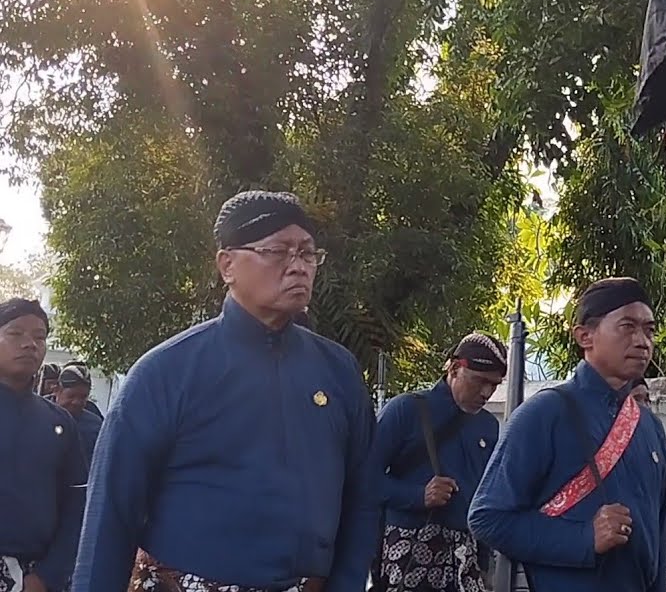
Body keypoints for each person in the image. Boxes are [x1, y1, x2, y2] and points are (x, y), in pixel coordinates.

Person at [73, 190, 381, 592]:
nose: (298, 267)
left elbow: (362, 497)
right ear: (227, 265)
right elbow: (111, 513)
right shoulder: (166, 372)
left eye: (307, 253)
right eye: (277, 251)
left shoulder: (337, 371)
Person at [469, 277, 666, 592]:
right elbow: (487, 518)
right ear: (585, 336)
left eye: (649, 330)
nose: (643, 341)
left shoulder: (649, 425)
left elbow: (658, 530)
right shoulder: (545, 414)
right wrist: (583, 538)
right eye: (628, 327)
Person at [371, 333, 508, 592]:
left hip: (466, 558)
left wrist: (484, 563)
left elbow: (484, 497)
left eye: (494, 384)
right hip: (410, 551)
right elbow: (362, 478)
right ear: (455, 369)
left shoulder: (488, 426)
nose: (486, 393)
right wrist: (417, 495)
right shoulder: (406, 410)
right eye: (479, 381)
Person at [0, 298, 87, 592]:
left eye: (39, 336)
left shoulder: (60, 424)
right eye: (16, 334)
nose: (29, 344)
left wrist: (47, 577)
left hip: (35, 578)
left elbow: (76, 507)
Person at [54, 364, 103, 468]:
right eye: (71, 396)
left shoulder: (95, 425)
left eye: (83, 397)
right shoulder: (38, 415)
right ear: (57, 390)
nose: (76, 402)